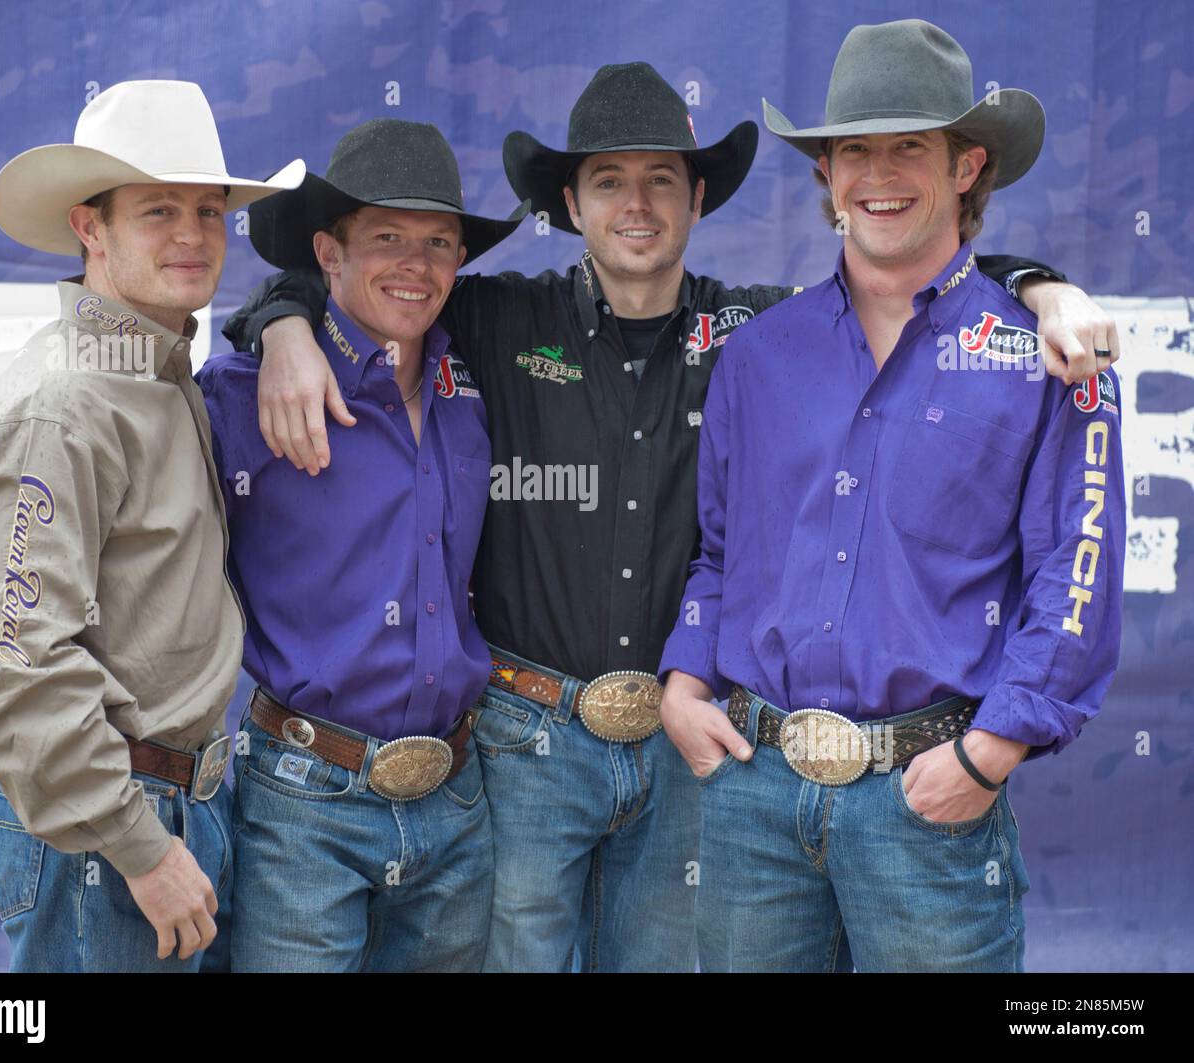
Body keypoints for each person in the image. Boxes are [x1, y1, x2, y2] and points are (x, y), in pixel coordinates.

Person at [225, 63, 1118, 972]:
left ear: (698, 200)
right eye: (609, 181)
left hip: (685, 744)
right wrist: (284, 323)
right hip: (524, 739)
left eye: (661, 180)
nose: (636, 205)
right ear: (570, 204)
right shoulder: (495, 319)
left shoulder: (754, 333)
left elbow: (905, 277)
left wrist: (1036, 285)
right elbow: (368, 294)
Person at [659, 18, 1125, 972]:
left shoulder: (1049, 355)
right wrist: (683, 682)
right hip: (753, 791)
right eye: (854, 150)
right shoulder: (757, 355)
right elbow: (720, 553)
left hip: (929, 796)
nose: (878, 173)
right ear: (827, 175)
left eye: (910, 144)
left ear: (967, 166)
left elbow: (1077, 577)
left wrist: (985, 755)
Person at [0, 80, 303, 972]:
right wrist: (140, 847)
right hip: (107, 832)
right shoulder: (65, 407)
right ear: (91, 229)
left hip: (167, 804)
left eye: (210, 210)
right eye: (157, 210)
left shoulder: (159, 368)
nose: (192, 233)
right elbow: (26, 672)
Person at [197, 119, 527, 971]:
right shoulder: (243, 399)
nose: (416, 265)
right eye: (387, 237)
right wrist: (278, 326)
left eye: (439, 243)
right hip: (306, 803)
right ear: (328, 254)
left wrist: (281, 319)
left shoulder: (474, 385)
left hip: (456, 800)